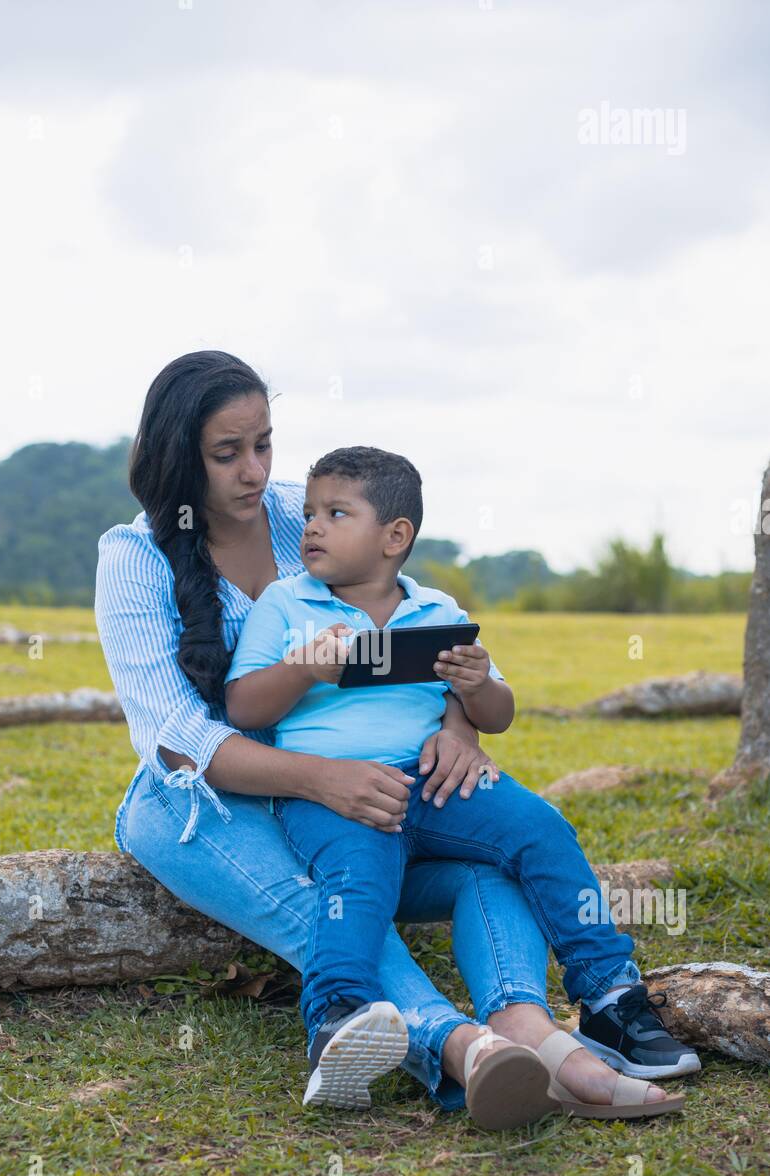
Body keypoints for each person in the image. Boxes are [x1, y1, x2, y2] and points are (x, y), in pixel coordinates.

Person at [95, 349, 695, 1134]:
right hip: (214, 799)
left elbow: (420, 636)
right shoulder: (135, 557)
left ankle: (528, 1022)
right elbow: (181, 740)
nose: (254, 470)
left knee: (497, 851)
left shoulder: (305, 514)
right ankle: (459, 1047)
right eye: (227, 453)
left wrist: (457, 727)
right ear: (181, 456)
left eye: (264, 444)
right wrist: (319, 779)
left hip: (371, 783)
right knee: (331, 903)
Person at [225, 445, 699, 1125]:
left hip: (435, 781)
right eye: (308, 514)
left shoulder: (437, 611)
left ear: (395, 537)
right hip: (331, 794)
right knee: (357, 878)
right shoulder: (285, 604)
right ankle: (337, 1019)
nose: (313, 528)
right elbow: (243, 709)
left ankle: (608, 997)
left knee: (539, 828)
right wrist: (302, 670)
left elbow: (497, 715)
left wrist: (476, 691)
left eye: (335, 513)